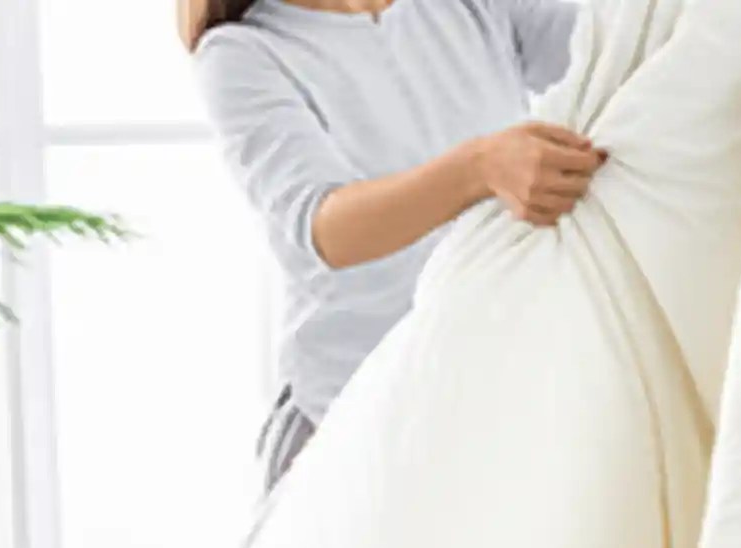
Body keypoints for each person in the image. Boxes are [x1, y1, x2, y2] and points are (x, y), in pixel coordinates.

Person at [179, 0, 601, 490]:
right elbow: (325, 227)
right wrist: (478, 168)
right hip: (352, 419)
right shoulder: (242, 52)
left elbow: (623, 51)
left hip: (500, 393)